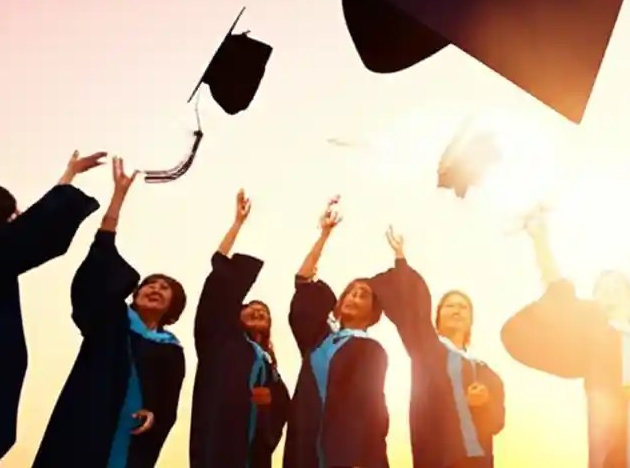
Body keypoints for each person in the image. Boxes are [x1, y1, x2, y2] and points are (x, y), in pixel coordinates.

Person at [0, 150, 105, 466]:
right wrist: (67, 183)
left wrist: (68, 174)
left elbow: (28, 231)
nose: (17, 220)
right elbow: (34, 233)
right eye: (11, 215)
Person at [500, 205, 630, 468]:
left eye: (616, 288)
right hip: (609, 455)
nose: (609, 294)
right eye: (602, 290)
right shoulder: (594, 344)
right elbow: (559, 294)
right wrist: (541, 241)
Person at [34, 157, 188, 468]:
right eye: (150, 284)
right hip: (86, 425)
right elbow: (100, 260)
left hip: (130, 439)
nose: (155, 289)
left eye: (164, 288)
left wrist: (154, 414)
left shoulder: (171, 350)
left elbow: (167, 403)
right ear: (134, 294)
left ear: (174, 305)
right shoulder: (110, 320)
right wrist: (118, 198)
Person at [368, 226, 505, 467]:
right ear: (437, 317)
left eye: (463, 307)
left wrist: (484, 403)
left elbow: (497, 423)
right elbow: (413, 311)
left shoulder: (485, 371)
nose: (457, 310)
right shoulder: (428, 350)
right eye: (450, 305)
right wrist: (401, 260)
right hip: (438, 458)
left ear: (471, 320)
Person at [284, 196, 391, 468]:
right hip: (304, 449)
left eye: (362, 295)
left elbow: (372, 408)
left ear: (374, 311)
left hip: (345, 455)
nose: (353, 298)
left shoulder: (371, 350)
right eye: (350, 293)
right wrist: (324, 235)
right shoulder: (318, 340)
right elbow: (304, 281)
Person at [190, 189, 291, 468]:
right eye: (251, 307)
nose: (258, 310)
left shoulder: (268, 363)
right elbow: (218, 288)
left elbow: (283, 405)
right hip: (219, 442)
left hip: (252, 452)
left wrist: (267, 404)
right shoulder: (220, 340)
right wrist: (237, 225)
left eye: (265, 311)